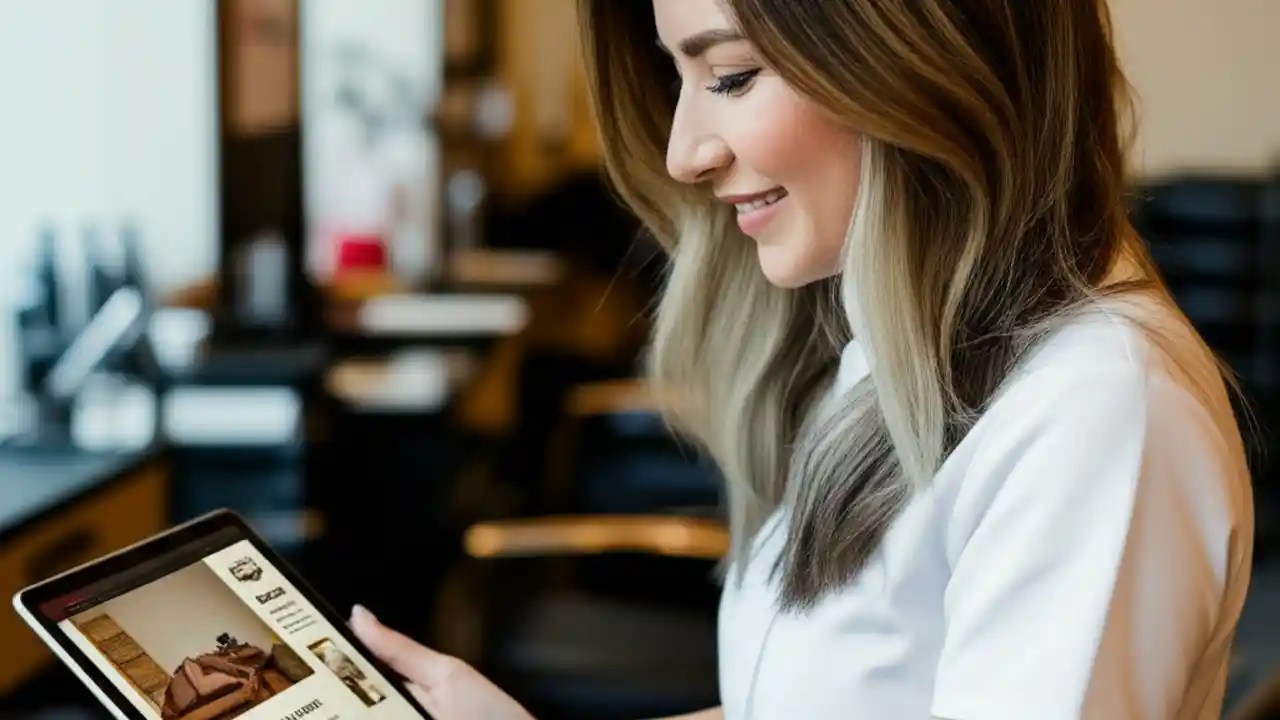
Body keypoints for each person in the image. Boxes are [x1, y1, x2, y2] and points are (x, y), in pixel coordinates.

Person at [351, 0, 1255, 718]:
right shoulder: (897, 352)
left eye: (732, 76)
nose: (683, 152)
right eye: (683, 78)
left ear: (919, 56)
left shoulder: (1094, 418)